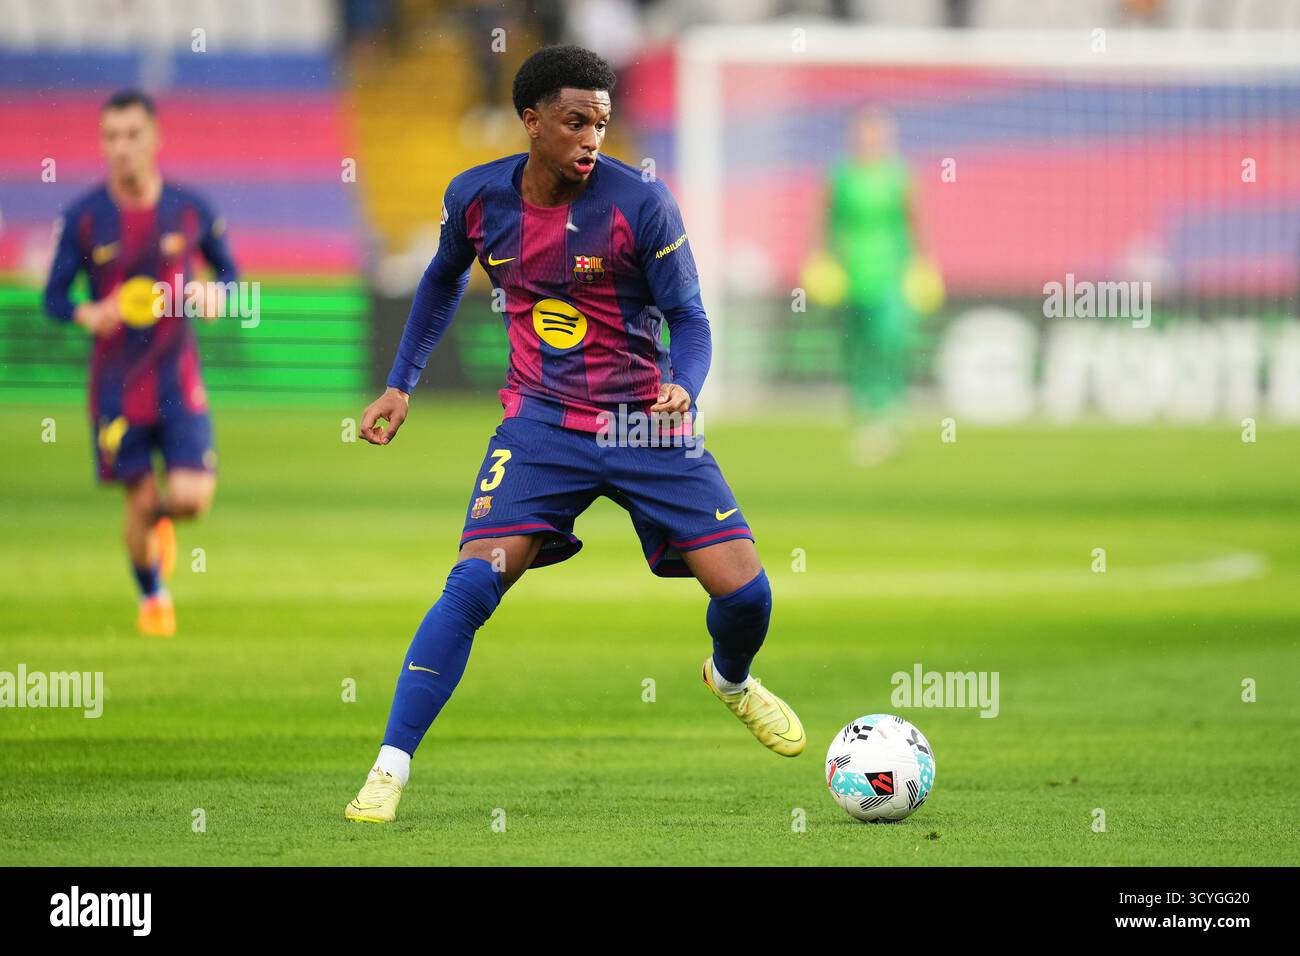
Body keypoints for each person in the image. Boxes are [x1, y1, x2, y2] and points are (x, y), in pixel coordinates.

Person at [345, 45, 805, 824]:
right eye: (576, 121)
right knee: (470, 585)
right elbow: (440, 279)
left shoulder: (641, 205)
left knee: (749, 593)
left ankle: (730, 680)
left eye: (602, 122)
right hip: (541, 425)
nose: (593, 137)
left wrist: (682, 388)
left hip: (644, 422)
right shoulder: (477, 198)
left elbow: (690, 320)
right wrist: (401, 382)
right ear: (532, 121)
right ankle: (388, 769)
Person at [43, 90, 237, 637]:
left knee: (190, 500)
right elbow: (54, 297)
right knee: (140, 496)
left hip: (179, 380)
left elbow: (230, 275)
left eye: (132, 135)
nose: (121, 148)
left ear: (154, 139)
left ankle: (158, 525)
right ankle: (153, 597)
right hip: (115, 387)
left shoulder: (191, 208)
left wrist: (219, 296)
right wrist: (87, 312)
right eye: (111, 137)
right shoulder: (83, 218)